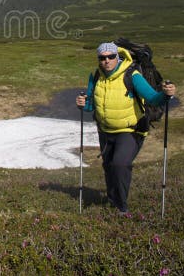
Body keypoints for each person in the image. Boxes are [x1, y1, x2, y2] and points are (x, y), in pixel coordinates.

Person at [75, 41, 176, 214]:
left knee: (120, 164)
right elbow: (91, 105)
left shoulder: (132, 75)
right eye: (102, 58)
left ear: (118, 57)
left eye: (111, 56)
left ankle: (121, 208)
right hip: (105, 131)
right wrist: (82, 104)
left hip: (130, 130)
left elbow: (153, 98)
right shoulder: (97, 77)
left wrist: (166, 95)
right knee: (109, 167)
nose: (107, 60)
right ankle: (112, 200)